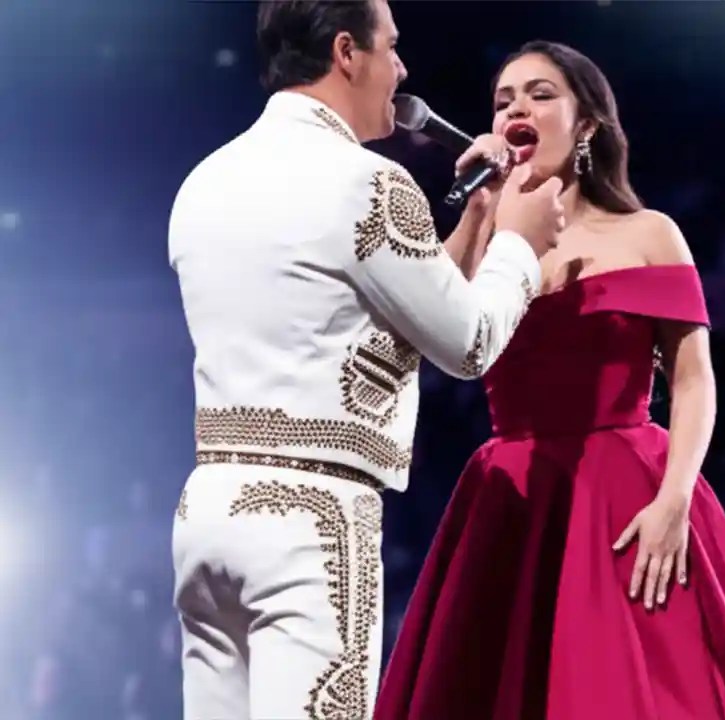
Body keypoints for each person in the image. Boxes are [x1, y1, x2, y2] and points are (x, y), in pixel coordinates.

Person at [374, 40, 725, 720]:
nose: (516, 107)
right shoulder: (496, 240)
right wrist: (477, 211)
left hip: (626, 492)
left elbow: (695, 381)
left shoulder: (648, 233)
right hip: (514, 496)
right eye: (503, 101)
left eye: (539, 94)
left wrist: (674, 501)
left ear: (586, 126)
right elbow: (434, 329)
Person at [167, 2, 564, 718]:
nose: (403, 69)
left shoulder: (202, 182)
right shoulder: (370, 183)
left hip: (208, 511)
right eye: (393, 47)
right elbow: (469, 342)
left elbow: (392, 327)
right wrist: (520, 244)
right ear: (347, 52)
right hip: (312, 523)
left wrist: (476, 219)